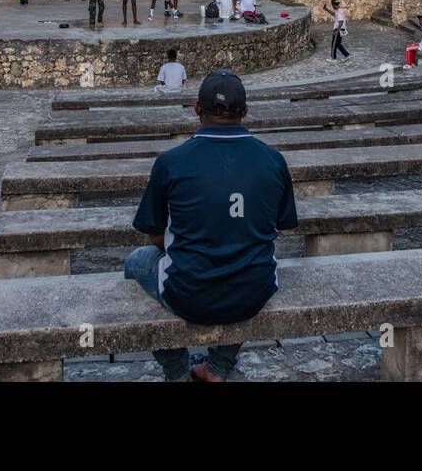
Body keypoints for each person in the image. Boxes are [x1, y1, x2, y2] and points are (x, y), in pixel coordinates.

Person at [125, 70, 298, 382]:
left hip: (189, 291)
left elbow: (154, 233)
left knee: (136, 262)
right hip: (253, 289)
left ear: (196, 109)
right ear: (245, 111)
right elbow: (281, 224)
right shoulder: (274, 160)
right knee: (252, 262)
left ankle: (177, 372)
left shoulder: (171, 162)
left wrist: (197, 245)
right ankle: (218, 366)